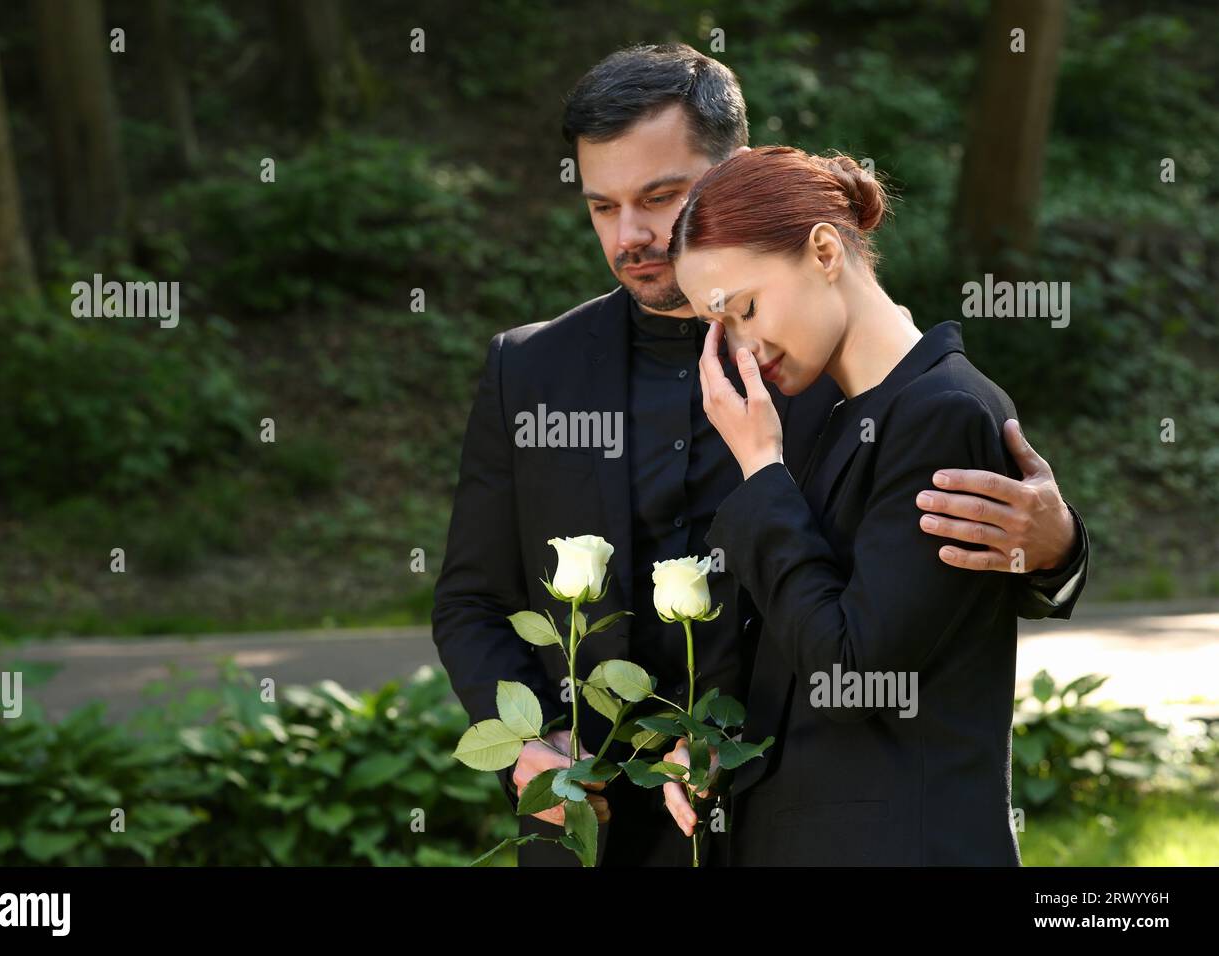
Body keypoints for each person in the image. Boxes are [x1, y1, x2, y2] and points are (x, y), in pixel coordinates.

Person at [432, 44, 1088, 867]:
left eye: (661, 197)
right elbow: (470, 599)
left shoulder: (831, 361)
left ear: (733, 174)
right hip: (594, 838)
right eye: (602, 206)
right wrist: (536, 741)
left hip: (793, 827)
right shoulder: (528, 370)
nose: (632, 235)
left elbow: (906, 584)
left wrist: (1054, 548)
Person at [663, 145, 1038, 864]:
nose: (745, 351)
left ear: (826, 250)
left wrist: (760, 471)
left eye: (744, 310)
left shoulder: (942, 415)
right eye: (719, 331)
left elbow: (853, 673)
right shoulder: (837, 415)